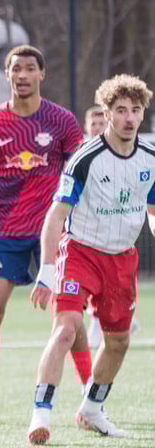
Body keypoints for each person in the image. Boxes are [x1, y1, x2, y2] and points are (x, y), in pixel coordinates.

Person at [0, 45, 87, 426]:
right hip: (6, 230)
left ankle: (88, 398)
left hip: (55, 231)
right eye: (17, 69)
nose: (23, 75)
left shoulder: (62, 121)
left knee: (69, 316)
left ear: (41, 74)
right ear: (8, 75)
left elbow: (79, 173)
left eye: (30, 68)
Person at [27, 74, 153, 445]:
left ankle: (92, 410)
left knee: (119, 341)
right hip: (80, 252)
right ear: (107, 113)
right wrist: (47, 271)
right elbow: (54, 216)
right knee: (66, 328)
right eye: (121, 110)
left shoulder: (150, 159)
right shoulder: (86, 158)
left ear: (143, 114)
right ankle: (41, 412)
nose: (129, 118)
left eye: (135, 110)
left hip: (122, 259)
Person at [81, 105, 140, 349]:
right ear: (86, 128)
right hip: (87, 230)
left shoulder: (122, 154)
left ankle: (124, 316)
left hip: (118, 227)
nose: (96, 127)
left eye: (99, 122)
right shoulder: (81, 155)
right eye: (92, 123)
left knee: (122, 280)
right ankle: (95, 322)